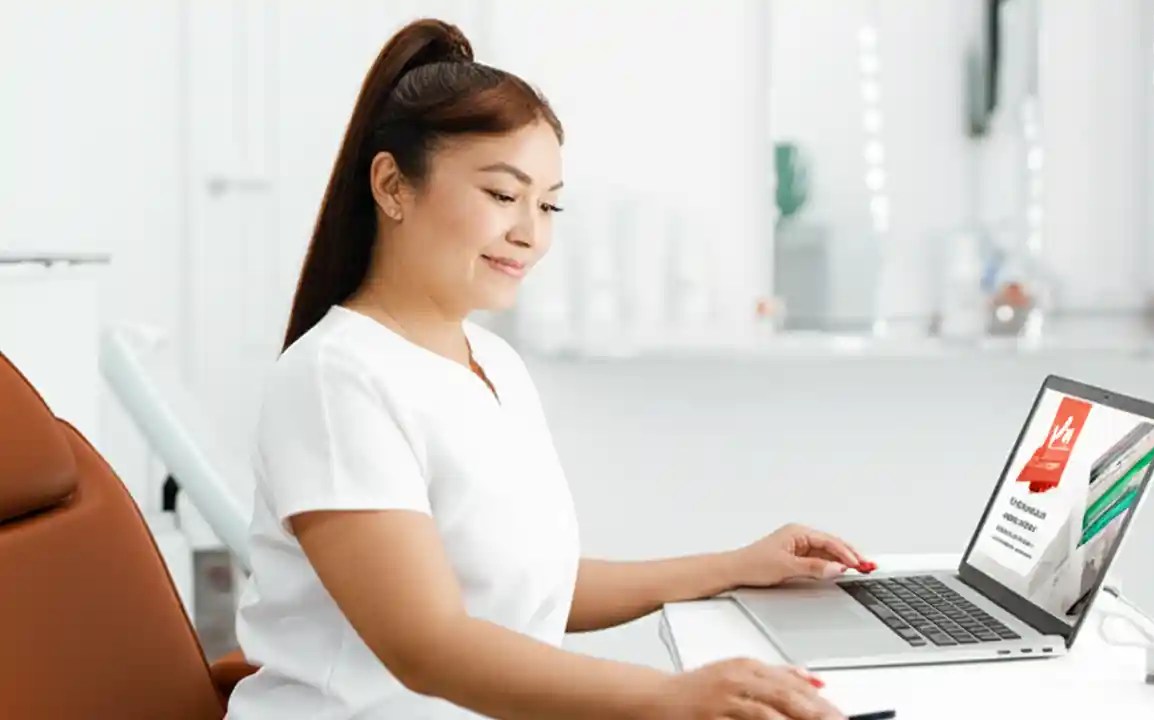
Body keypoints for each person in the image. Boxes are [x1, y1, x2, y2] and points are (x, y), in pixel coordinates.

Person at [226, 18, 875, 720]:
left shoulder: (493, 365)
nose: (531, 233)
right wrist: (669, 698)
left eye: (549, 203)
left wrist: (735, 568)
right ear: (392, 186)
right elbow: (427, 646)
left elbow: (533, 591)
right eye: (503, 196)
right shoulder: (335, 379)